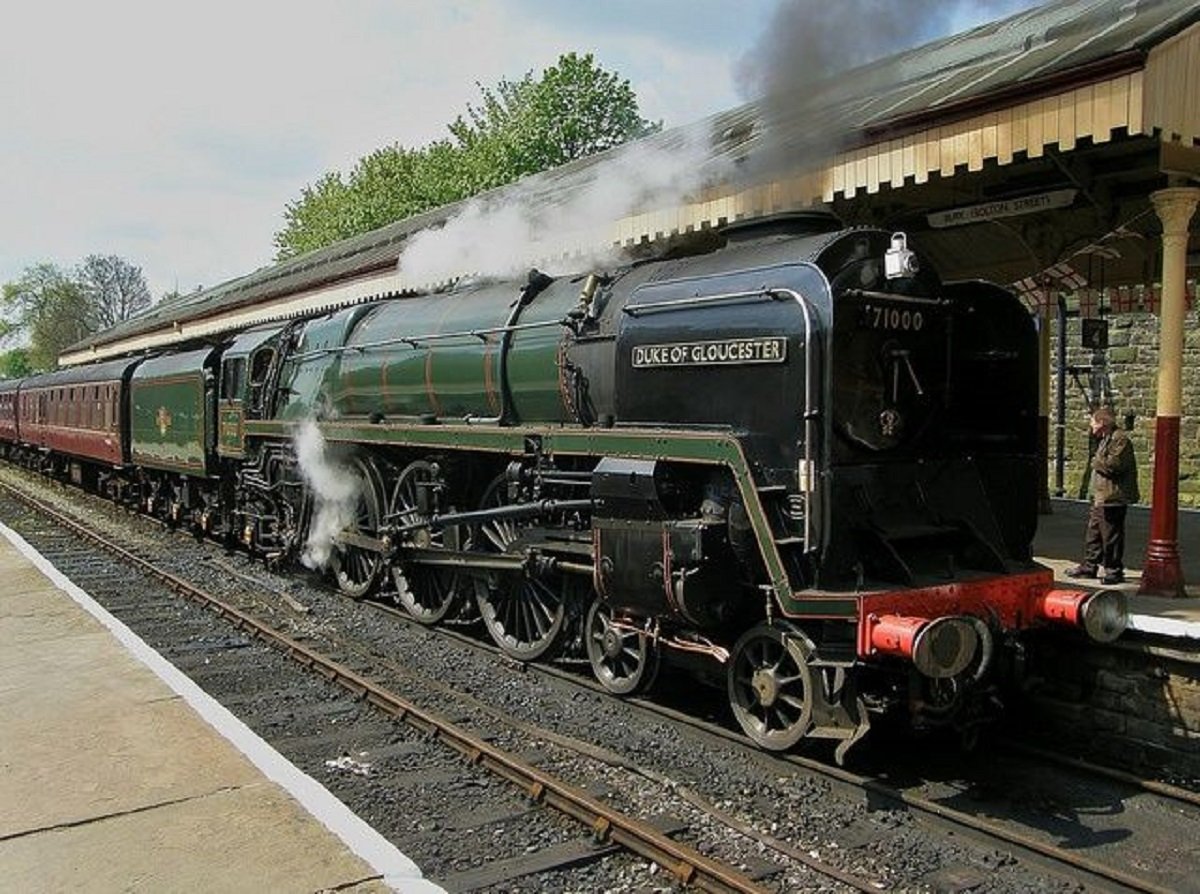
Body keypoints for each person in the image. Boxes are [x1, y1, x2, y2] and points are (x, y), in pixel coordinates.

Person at [1067, 406, 1139, 585]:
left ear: (1102, 423)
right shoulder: (1104, 438)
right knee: (1094, 535)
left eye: (1093, 422)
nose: (1091, 426)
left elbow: (1114, 466)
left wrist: (1095, 461)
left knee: (1111, 536)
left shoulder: (1120, 440)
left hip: (1112, 497)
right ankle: (1089, 566)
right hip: (1100, 496)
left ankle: (1113, 570)